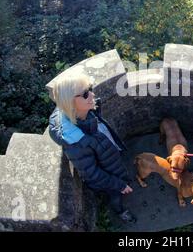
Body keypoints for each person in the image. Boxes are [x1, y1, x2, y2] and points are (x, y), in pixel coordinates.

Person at [48, 73, 136, 223]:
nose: (93, 95)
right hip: (107, 178)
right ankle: (120, 212)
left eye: (90, 89)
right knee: (115, 195)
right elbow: (92, 174)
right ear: (70, 102)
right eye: (85, 93)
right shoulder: (76, 141)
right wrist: (119, 184)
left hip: (109, 160)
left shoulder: (85, 112)